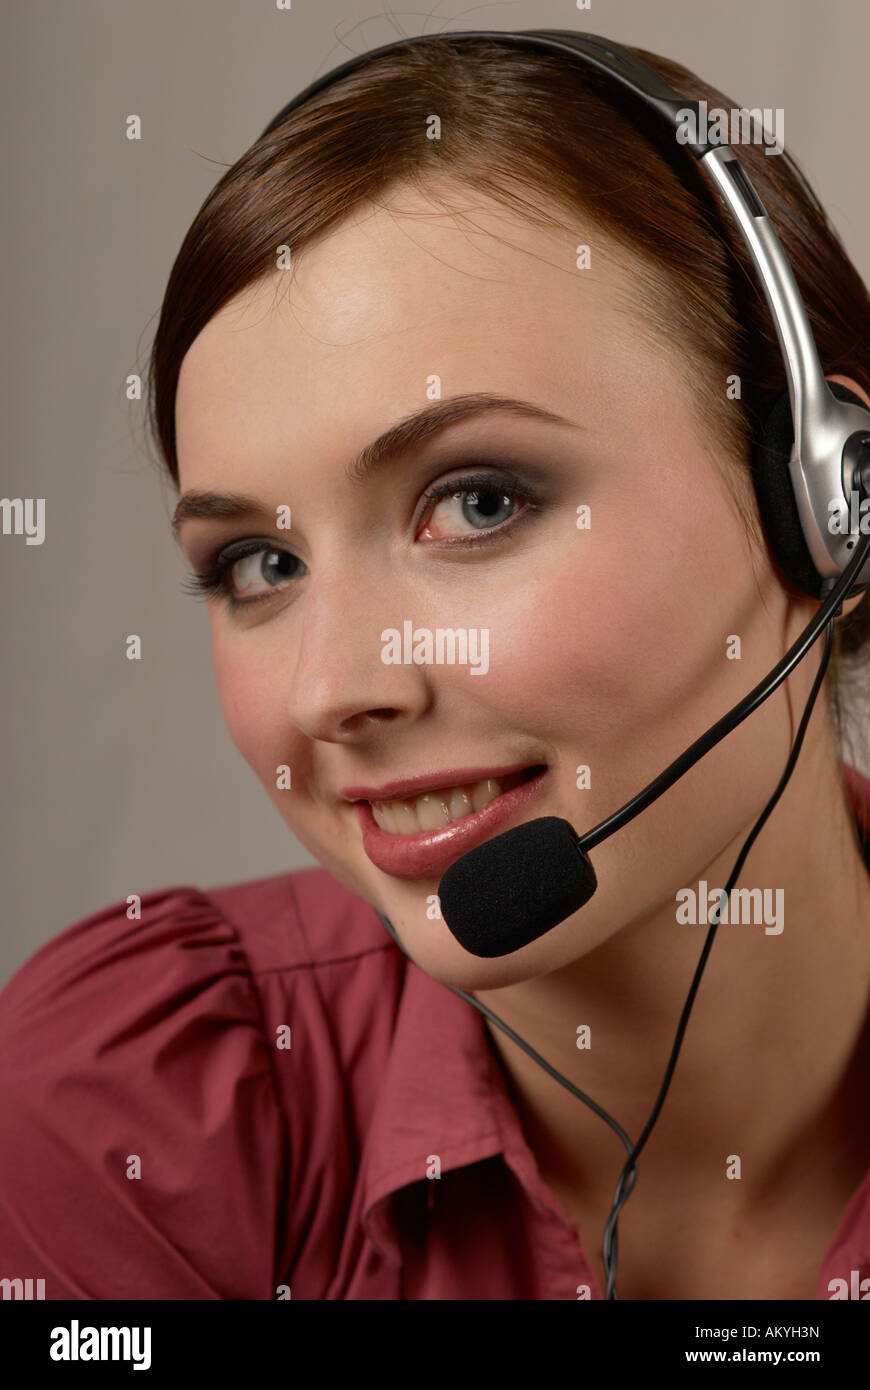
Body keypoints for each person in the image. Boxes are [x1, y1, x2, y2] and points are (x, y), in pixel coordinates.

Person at [2, 34, 870, 1302]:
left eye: (477, 501)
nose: (333, 690)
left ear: (830, 505)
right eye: (259, 563)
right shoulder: (138, 1113)